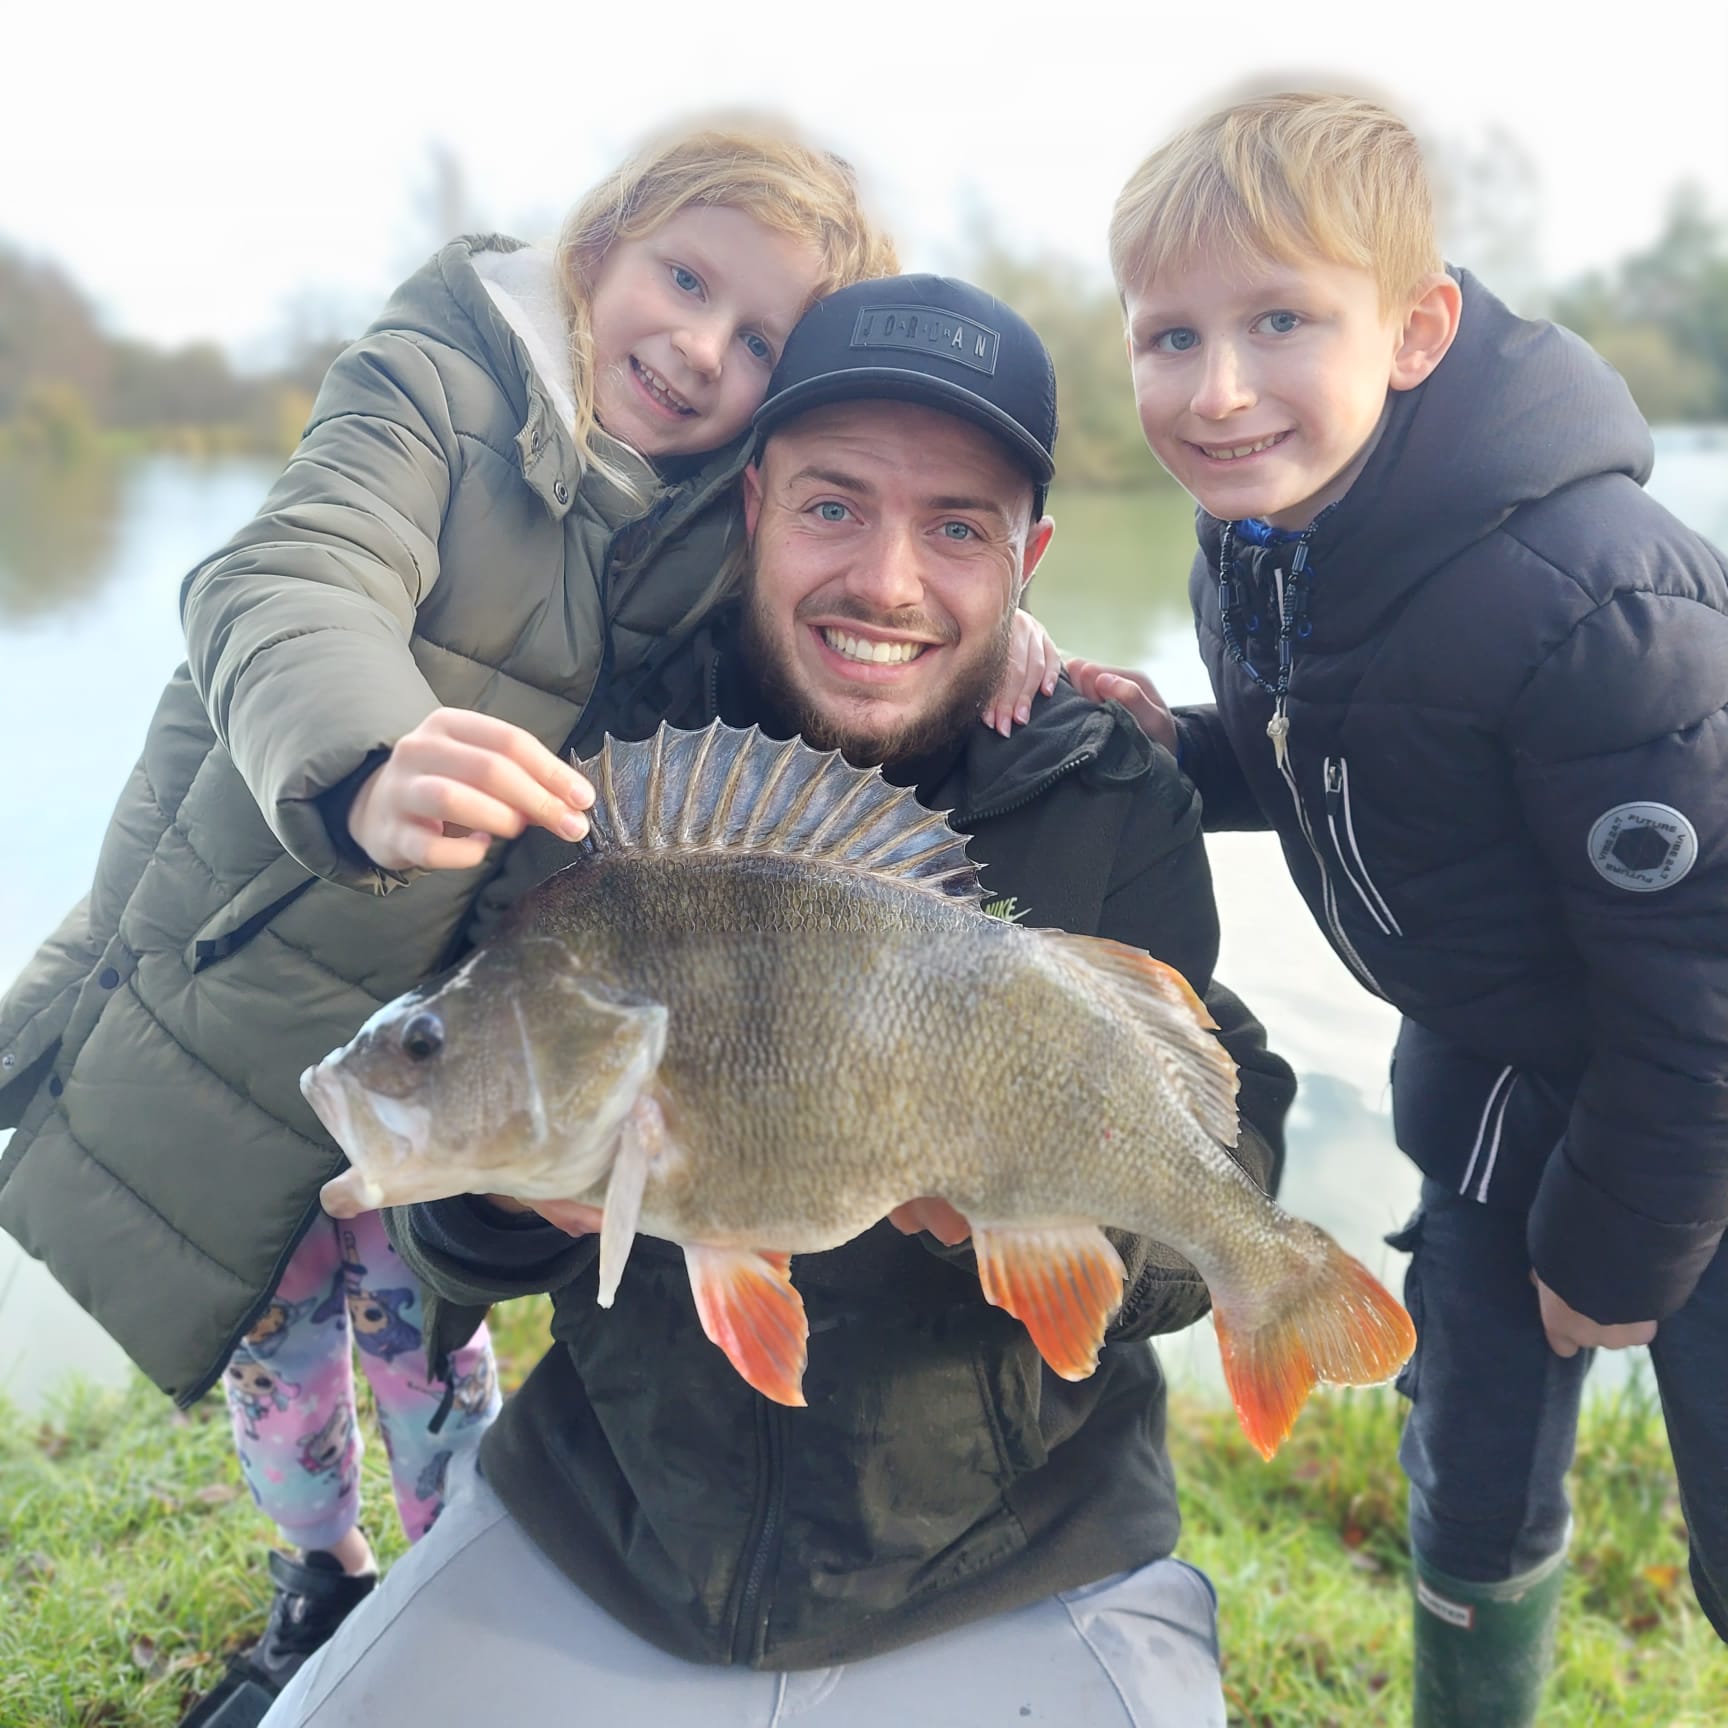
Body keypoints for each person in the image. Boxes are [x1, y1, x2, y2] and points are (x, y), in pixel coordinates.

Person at [257, 273, 1298, 1728]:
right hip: (610, 1531)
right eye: (832, 506)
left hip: (1018, 1554)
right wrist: (506, 1203)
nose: (887, 578)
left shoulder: (1112, 789)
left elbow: (1215, 1181)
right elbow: (459, 1248)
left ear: (1030, 559)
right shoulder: (613, 771)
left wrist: (1018, 1205)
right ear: (753, 506)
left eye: (957, 529)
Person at [0, 115, 903, 1719]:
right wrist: (362, 761)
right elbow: (285, 576)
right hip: (252, 1007)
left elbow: (828, 639)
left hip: (485, 1058)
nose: (699, 349)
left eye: (760, 336)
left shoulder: (723, 526)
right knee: (273, 1350)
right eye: (684, 278)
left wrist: (1021, 644)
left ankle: (433, 1594)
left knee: (431, 1340)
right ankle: (317, 1576)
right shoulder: (436, 377)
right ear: (600, 244)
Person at [1066, 90, 1728, 1725]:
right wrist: (1183, 749)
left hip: (1694, 1107)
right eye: (1170, 337)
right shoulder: (1268, 544)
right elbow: (1363, 762)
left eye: (1280, 320)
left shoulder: (1594, 593)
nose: (1216, 390)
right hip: (1492, 1080)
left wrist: (1626, 1244)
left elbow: (1705, 977)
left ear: (1418, 328)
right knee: (1472, 1470)